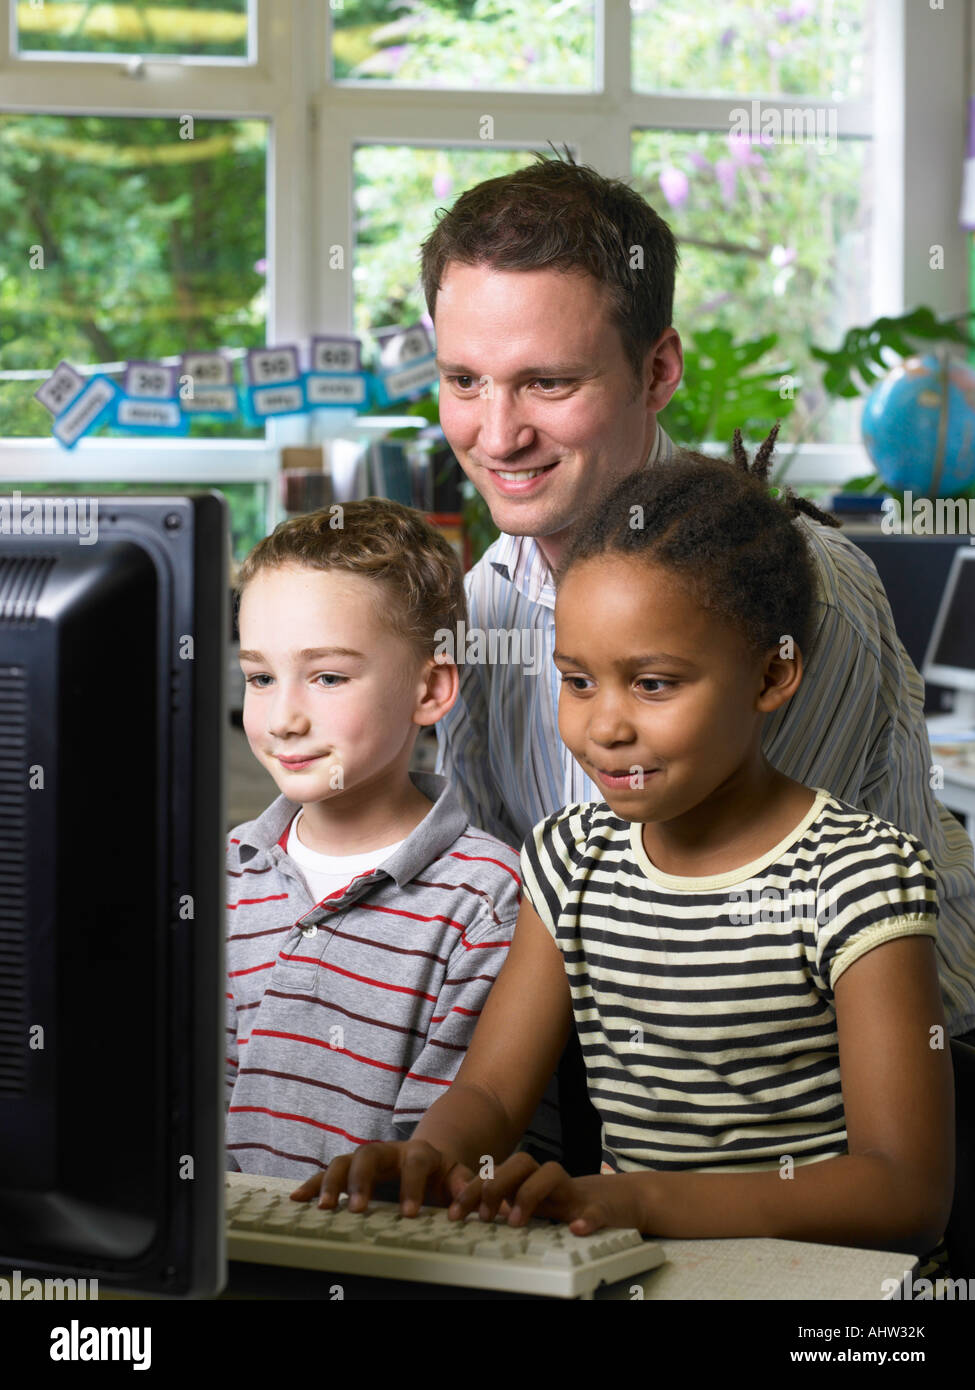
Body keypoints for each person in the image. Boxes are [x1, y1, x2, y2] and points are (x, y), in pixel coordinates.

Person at [293, 442, 954, 1276]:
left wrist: (638, 1199)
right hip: (633, 1268)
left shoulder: (858, 879)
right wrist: (426, 1154)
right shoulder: (570, 860)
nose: (604, 727)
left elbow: (904, 1194)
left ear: (772, 674)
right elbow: (494, 1094)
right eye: (577, 681)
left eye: (652, 684)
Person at [426, 151, 975, 1050]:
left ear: (656, 371)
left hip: (857, 1074)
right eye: (464, 381)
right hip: (628, 1070)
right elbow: (502, 895)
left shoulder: (790, 587)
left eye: (548, 382)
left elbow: (726, 949)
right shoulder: (486, 599)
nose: (496, 435)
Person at [225, 498, 555, 1178]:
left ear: (430, 690)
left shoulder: (487, 900)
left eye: (327, 677)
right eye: (260, 677)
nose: (282, 718)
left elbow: (448, 1149)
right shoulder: (227, 873)